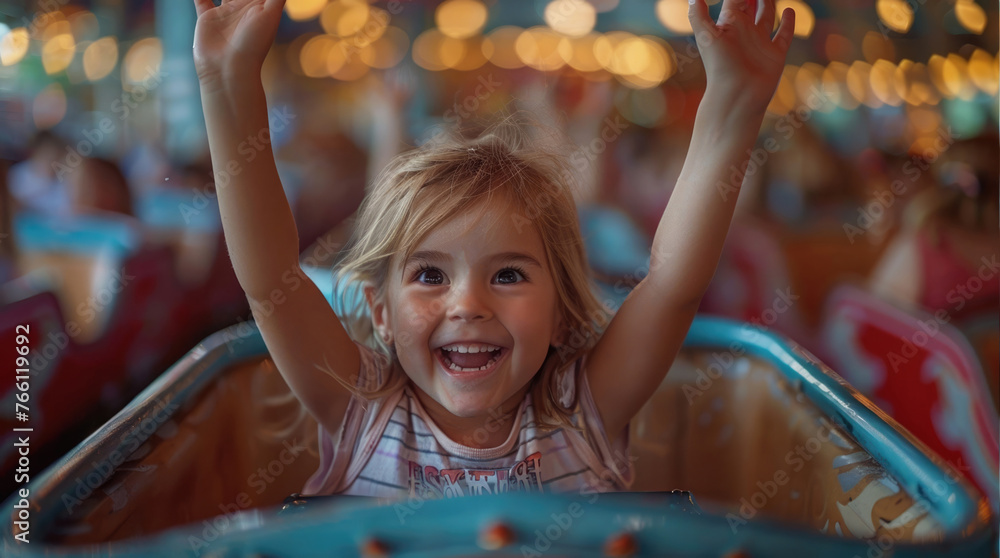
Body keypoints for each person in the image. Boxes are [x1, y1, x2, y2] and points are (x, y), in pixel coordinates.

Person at [191, 0, 794, 498]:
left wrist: (732, 109)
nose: (468, 303)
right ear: (381, 312)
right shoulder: (362, 412)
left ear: (560, 310)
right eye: (429, 276)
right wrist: (228, 85)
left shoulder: (582, 413)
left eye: (507, 276)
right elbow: (271, 277)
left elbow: (671, 284)